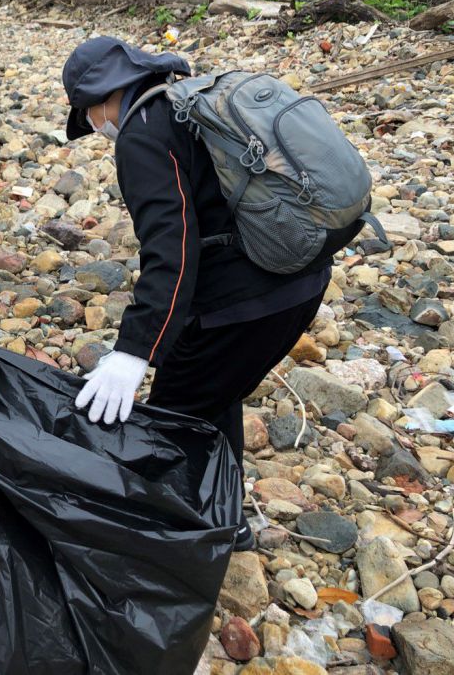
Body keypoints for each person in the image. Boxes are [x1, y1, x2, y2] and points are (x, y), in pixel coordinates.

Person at [62, 36, 360, 550]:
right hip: (302, 277)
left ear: (103, 98)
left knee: (172, 420)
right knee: (212, 394)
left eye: (87, 116)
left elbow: (172, 252)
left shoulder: (142, 133)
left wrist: (133, 353)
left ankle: (171, 550)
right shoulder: (189, 98)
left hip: (248, 304)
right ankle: (227, 523)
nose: (94, 129)